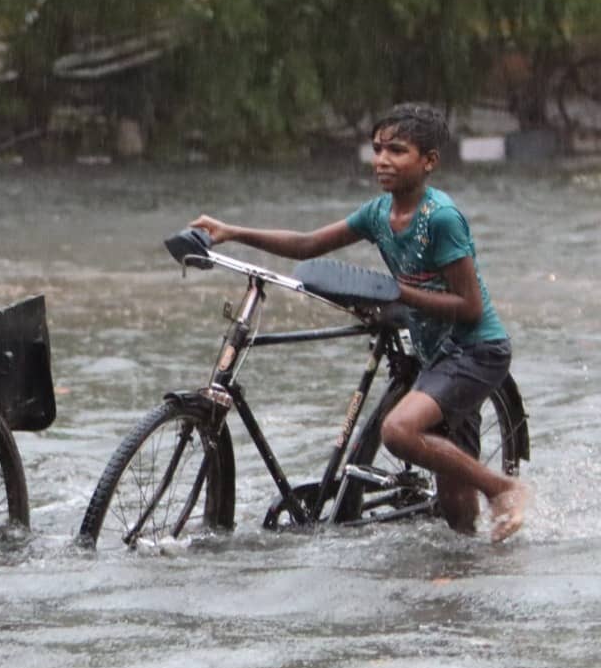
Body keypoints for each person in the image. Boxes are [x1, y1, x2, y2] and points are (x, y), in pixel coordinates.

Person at [190, 102, 530, 542]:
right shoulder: (378, 214)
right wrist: (232, 232)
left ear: (429, 162)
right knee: (455, 511)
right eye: (377, 149)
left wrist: (397, 293)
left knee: (399, 430)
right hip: (433, 353)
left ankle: (505, 489)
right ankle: (467, 574)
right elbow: (309, 244)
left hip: (474, 351)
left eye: (398, 151)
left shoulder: (441, 218)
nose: (383, 160)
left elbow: (469, 307)